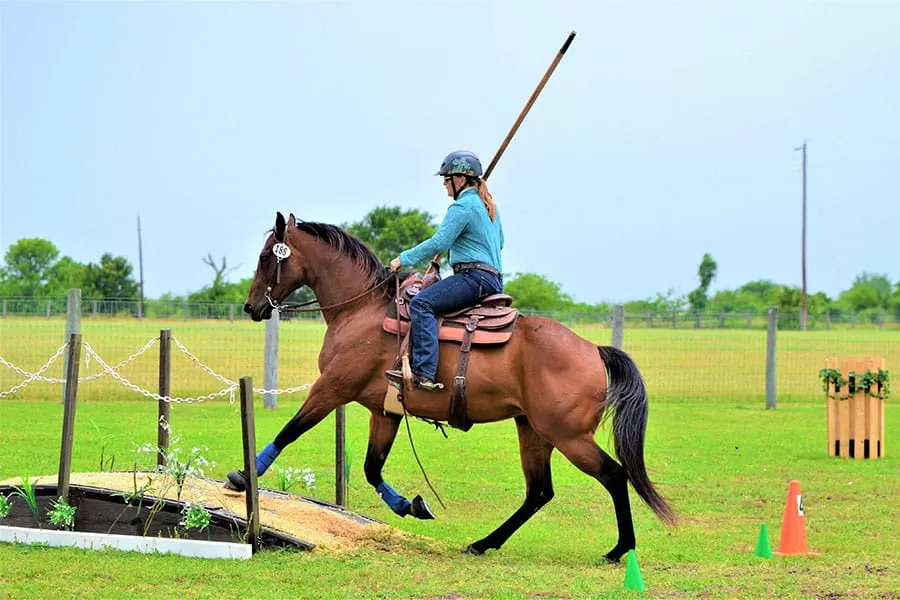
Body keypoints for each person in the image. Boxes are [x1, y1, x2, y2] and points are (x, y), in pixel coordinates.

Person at [386, 150, 504, 392]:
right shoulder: (488, 206)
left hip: (473, 277)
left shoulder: (463, 207)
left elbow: (439, 241)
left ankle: (424, 372)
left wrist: (403, 258)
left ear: (460, 179)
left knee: (421, 304)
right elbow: (499, 242)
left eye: (446, 179)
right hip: (492, 278)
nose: (444, 184)